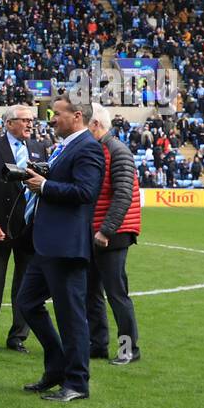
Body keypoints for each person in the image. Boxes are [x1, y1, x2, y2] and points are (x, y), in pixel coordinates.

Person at [14, 95, 105, 403]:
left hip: (66, 247)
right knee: (27, 303)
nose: (50, 119)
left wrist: (45, 185)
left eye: (56, 114)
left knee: (71, 317)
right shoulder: (66, 147)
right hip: (47, 243)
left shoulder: (88, 148)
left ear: (76, 116)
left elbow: (85, 192)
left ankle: (77, 382)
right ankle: (56, 368)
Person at [0, 104, 48, 353]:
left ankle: (18, 336)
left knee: (25, 286)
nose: (30, 124)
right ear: (8, 123)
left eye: (31, 121)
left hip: (30, 230)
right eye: (24, 120)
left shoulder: (38, 148)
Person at [87, 106, 141, 365]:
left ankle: (129, 349)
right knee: (92, 292)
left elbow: (123, 194)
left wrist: (106, 230)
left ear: (95, 124)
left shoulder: (117, 150)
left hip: (113, 233)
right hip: (99, 231)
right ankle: (97, 345)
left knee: (116, 293)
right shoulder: (104, 149)